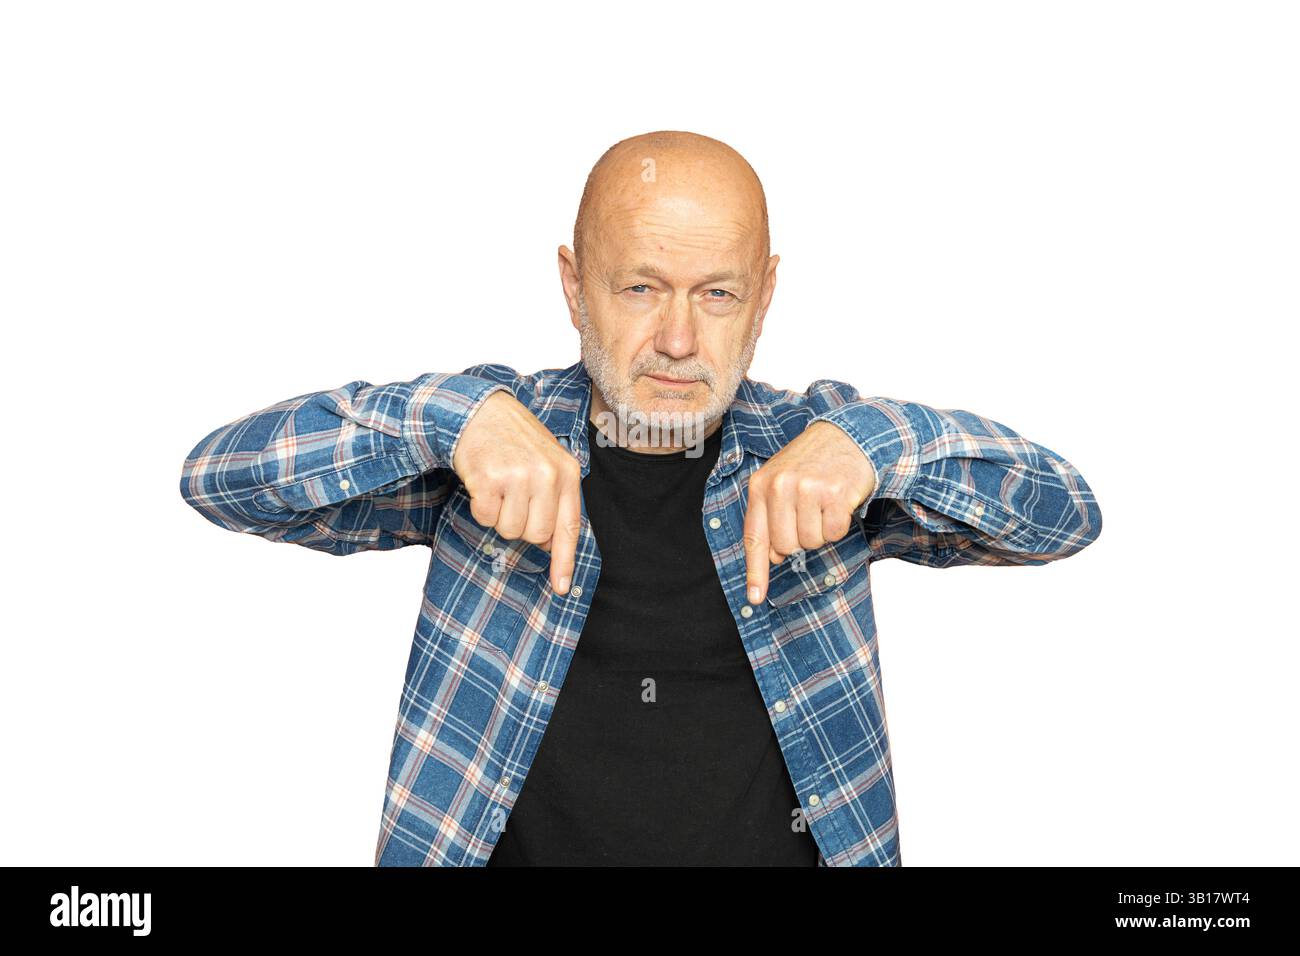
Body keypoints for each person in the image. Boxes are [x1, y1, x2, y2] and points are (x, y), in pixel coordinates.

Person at [178, 130, 1102, 866]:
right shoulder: (491, 446)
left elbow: (1065, 513)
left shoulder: (817, 452)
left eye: (717, 294)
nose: (677, 337)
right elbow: (223, 479)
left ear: (767, 295)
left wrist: (879, 445)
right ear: (574, 287)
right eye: (639, 287)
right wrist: (451, 420)